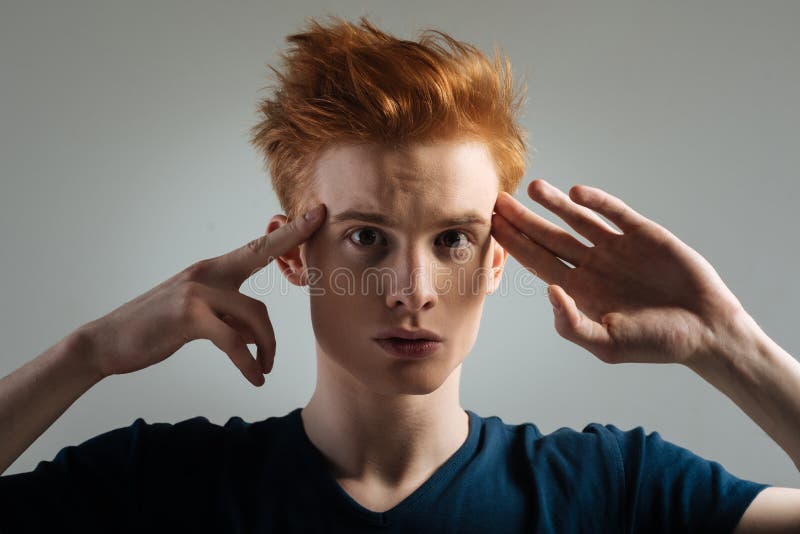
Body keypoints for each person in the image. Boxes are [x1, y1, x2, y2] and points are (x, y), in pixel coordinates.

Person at [0, 14, 798, 533]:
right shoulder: (164, 490)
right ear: (293, 254)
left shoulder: (610, 491)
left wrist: (730, 347)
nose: (411, 290)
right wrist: (89, 353)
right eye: (367, 239)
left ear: (495, 261)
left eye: (452, 239)